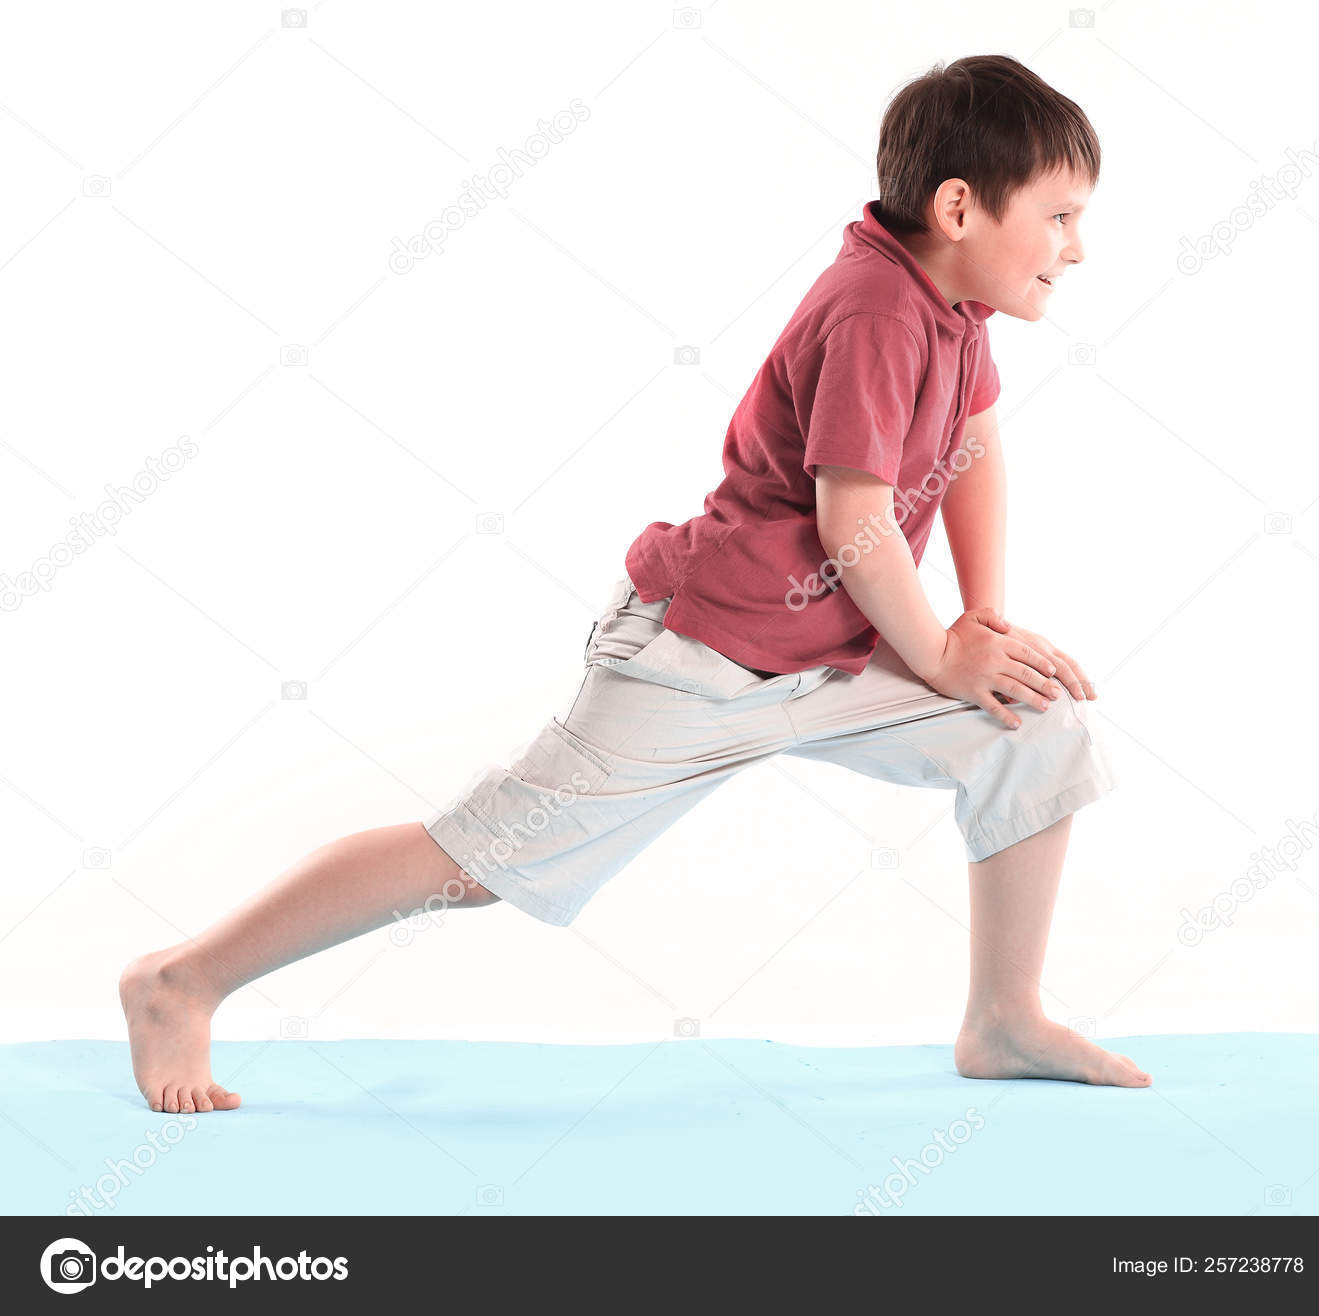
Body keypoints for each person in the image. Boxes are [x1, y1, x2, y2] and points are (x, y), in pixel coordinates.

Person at [120, 54, 1149, 1115]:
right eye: (1061, 217)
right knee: (478, 861)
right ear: (959, 208)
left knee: (1033, 725)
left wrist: (981, 621)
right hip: (700, 654)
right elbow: (855, 522)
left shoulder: (954, 306)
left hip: (830, 651)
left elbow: (973, 443)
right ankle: (180, 979)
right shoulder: (878, 309)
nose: (1077, 247)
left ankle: (1003, 1017)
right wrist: (938, 653)